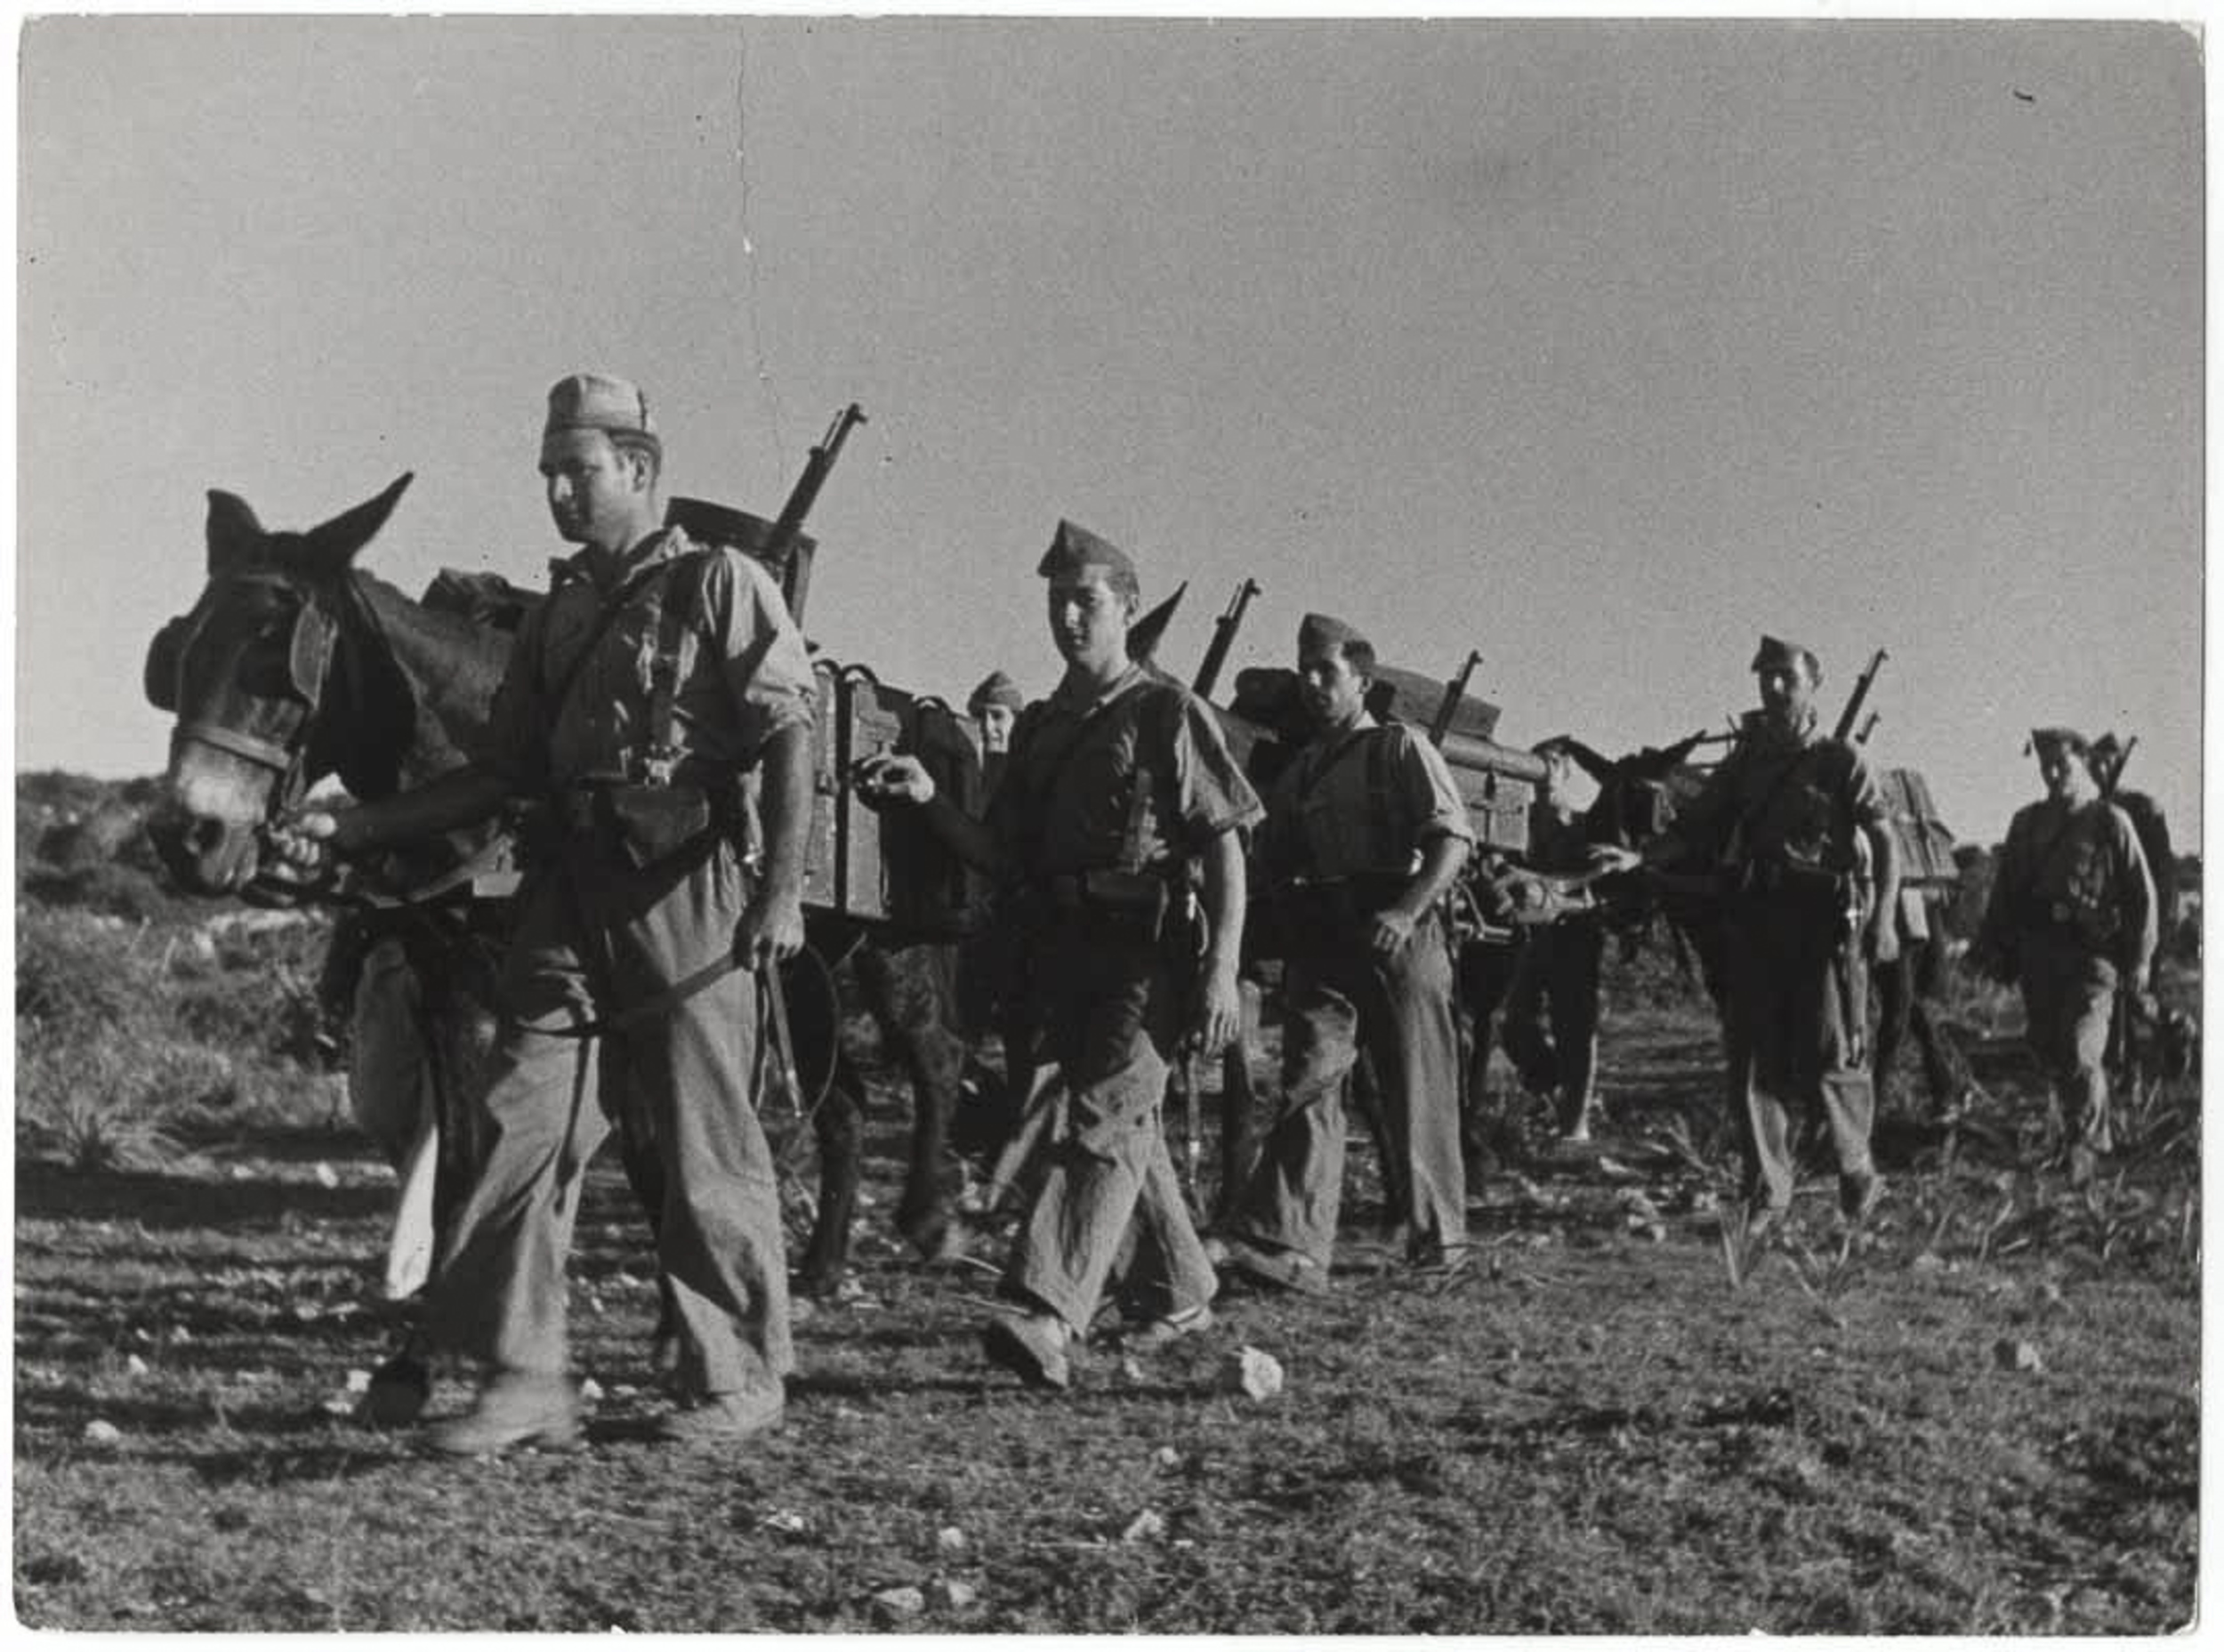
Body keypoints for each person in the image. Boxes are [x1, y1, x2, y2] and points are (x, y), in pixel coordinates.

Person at [270, 373, 815, 1452]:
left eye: (581, 470)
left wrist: (780, 889)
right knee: (517, 1116)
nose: (560, 492)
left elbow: (787, 731)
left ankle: (741, 1377)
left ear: (641, 471)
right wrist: (350, 830)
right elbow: (497, 772)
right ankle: (524, 1376)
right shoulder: (562, 608)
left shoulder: (719, 582)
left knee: (701, 1135)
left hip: (683, 887)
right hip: (570, 887)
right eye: (549, 475)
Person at [856, 520, 1259, 1388]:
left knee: (1104, 1117)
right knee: (1125, 1130)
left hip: (1149, 956)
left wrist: (1223, 967)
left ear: (1127, 609)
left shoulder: (1165, 713)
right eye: (1056, 602)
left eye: (1086, 602)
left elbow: (1224, 845)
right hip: (1063, 956)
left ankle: (1047, 1311)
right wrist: (927, 798)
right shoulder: (1042, 727)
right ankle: (1182, 1289)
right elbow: (1002, 853)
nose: (1068, 619)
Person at [1592, 636, 1898, 1233]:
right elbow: (1698, 827)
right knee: (1752, 1060)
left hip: (1822, 921)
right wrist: (1639, 859)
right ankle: (1767, 1192)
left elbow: (1885, 842)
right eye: (1765, 677)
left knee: (1832, 1049)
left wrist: (1884, 920)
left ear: (1813, 684)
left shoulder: (1841, 761)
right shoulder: (1747, 763)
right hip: (1758, 917)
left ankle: (1856, 1167)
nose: (1773, 686)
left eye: (1785, 676)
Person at [1211, 612, 1474, 1292]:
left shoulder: (1400, 747)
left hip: (1400, 937)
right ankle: (1291, 1246)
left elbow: (1451, 841)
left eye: (1327, 671)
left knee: (1415, 1087)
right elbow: (1271, 856)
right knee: (1310, 1080)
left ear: (1361, 679)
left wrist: (1407, 909)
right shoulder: (1301, 770)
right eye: (1305, 671)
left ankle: (1439, 1244)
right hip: (1326, 938)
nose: (1313, 683)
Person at [1970, 728, 2156, 1185]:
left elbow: (2141, 894)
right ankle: (2073, 1133)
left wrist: (2141, 960)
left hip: (2093, 959)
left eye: (2063, 765)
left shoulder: (2110, 821)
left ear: (2084, 764)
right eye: (2046, 765)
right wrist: (1991, 948)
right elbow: (2005, 894)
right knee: (2052, 1051)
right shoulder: (2026, 823)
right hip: (2039, 958)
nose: (2053, 774)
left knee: (2080, 1048)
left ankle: (2088, 1148)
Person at [1498, 738, 1608, 1142]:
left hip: (1574, 938)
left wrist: (1552, 897)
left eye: (1553, 765)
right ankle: (1553, 1084)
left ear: (1565, 773)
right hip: (1529, 938)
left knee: (1575, 1031)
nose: (1544, 773)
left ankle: (1575, 1127)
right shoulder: (1516, 823)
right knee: (1514, 1027)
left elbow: (1595, 895)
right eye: (1537, 764)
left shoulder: (1582, 827)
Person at [2086, 731, 2176, 1075]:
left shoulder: (2142, 808)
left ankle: (2177, 1029)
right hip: (2113, 922)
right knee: (2117, 998)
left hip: (2146, 919)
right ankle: (2127, 1071)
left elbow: (2160, 879)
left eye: (2106, 762)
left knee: (2139, 998)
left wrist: (2154, 931)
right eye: (2094, 763)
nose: (2099, 769)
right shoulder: (2098, 810)